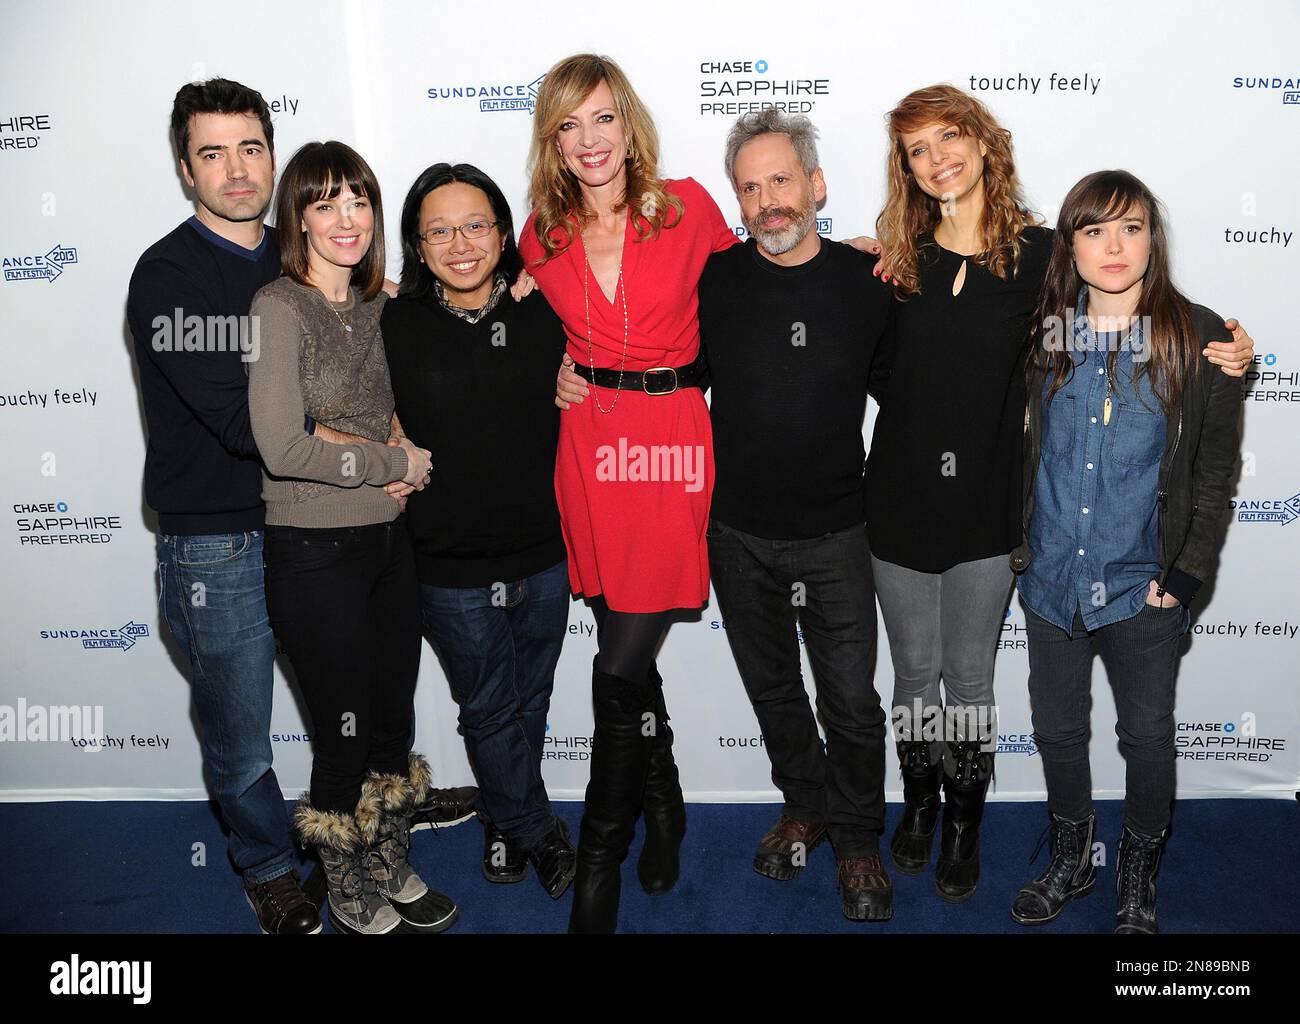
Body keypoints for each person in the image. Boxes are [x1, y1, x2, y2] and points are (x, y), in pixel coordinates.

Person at [866, 84, 1255, 903]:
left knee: (974, 685)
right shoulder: (895, 262)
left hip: (992, 516)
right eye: (917, 149)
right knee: (913, 681)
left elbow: (1134, 298)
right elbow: (864, 361)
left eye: (951, 137)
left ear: (983, 141)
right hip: (906, 503)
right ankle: (920, 807)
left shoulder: (1045, 257)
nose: (938, 159)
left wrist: (1226, 343)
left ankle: (970, 825)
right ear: (904, 167)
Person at [518, 53, 738, 933]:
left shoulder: (686, 205)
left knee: (615, 668)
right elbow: (484, 312)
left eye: (601, 118)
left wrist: (861, 254)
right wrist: (553, 371)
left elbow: (763, 280)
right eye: (568, 126)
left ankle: (598, 855)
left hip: (671, 442)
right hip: (589, 448)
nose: (588, 141)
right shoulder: (540, 232)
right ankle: (667, 795)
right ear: (552, 141)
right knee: (627, 656)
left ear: (628, 122)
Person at [1009, 170, 1243, 934]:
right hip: (1050, 581)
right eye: (1094, 230)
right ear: (1068, 244)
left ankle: (1137, 872)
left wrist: (1185, 575)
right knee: (1057, 731)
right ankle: (1073, 858)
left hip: (1144, 588)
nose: (1114, 247)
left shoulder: (1199, 337)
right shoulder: (1044, 329)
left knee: (1146, 738)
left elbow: (1213, 473)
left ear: (1153, 237)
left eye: (1132, 228)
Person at [127, 78, 319, 934]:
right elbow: (248, 422)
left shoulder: (303, 252)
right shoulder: (166, 275)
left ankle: (348, 834)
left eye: (251, 148)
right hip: (219, 545)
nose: (238, 171)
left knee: (347, 702)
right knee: (242, 740)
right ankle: (268, 864)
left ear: (272, 156)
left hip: (314, 523)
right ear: (184, 168)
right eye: (213, 153)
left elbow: (385, 340)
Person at [247, 140, 453, 936]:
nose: (346, 219)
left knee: (390, 724)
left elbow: (388, 399)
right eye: (325, 203)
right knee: (341, 733)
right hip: (311, 550)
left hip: (388, 545)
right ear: (297, 217)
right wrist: (388, 461)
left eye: (358, 201)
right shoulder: (275, 308)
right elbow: (282, 447)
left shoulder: (380, 303)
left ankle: (388, 860)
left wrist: (397, 452)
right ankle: (343, 876)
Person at [699, 111, 895, 921]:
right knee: (774, 689)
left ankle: (855, 839)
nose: (768, 201)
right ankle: (805, 804)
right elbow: (645, 349)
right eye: (750, 187)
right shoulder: (713, 279)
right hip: (737, 531)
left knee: (850, 700)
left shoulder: (867, 284)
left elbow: (920, 396)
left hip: (839, 532)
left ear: (815, 184)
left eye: (782, 180)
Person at [380, 162, 576, 901]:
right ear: (418, 245)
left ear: (503, 232)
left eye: (475, 225)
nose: (459, 243)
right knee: (490, 706)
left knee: (530, 701)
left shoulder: (546, 307)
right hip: (447, 565)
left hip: (543, 552)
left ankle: (500, 820)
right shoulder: (391, 321)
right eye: (438, 230)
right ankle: (541, 834)